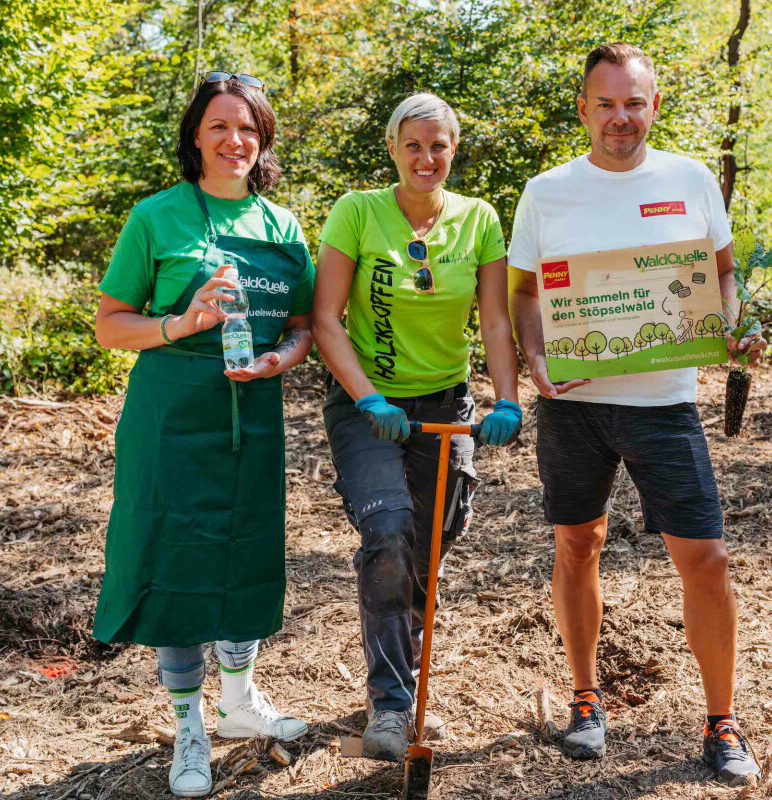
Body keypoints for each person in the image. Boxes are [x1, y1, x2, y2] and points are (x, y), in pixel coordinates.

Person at [506, 44, 766, 786]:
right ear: (583, 108)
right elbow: (525, 295)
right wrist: (534, 357)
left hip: (664, 403)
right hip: (575, 408)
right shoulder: (546, 191)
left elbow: (722, 277)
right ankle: (586, 699)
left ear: (654, 105)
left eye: (635, 102)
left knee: (706, 560)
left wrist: (733, 325)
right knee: (577, 546)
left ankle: (721, 720)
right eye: (607, 103)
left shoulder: (689, 179)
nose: (621, 118)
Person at [91, 72, 315, 798]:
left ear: (264, 138)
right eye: (219, 126)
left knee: (244, 552)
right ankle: (189, 724)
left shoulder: (283, 226)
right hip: (170, 412)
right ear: (195, 135)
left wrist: (284, 357)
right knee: (179, 557)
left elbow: (306, 324)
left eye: (248, 127)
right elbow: (109, 324)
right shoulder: (155, 218)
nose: (234, 140)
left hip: (251, 413)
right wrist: (181, 323)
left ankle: (241, 703)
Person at [312, 93, 523, 761]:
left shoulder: (479, 220)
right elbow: (326, 320)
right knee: (387, 533)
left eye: (439, 146)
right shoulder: (359, 212)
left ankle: (399, 642)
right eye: (413, 145)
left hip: (445, 405)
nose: (426, 158)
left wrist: (507, 401)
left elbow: (493, 322)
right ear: (394, 149)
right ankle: (391, 702)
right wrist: (370, 399)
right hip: (367, 406)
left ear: (453, 150)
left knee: (435, 537)